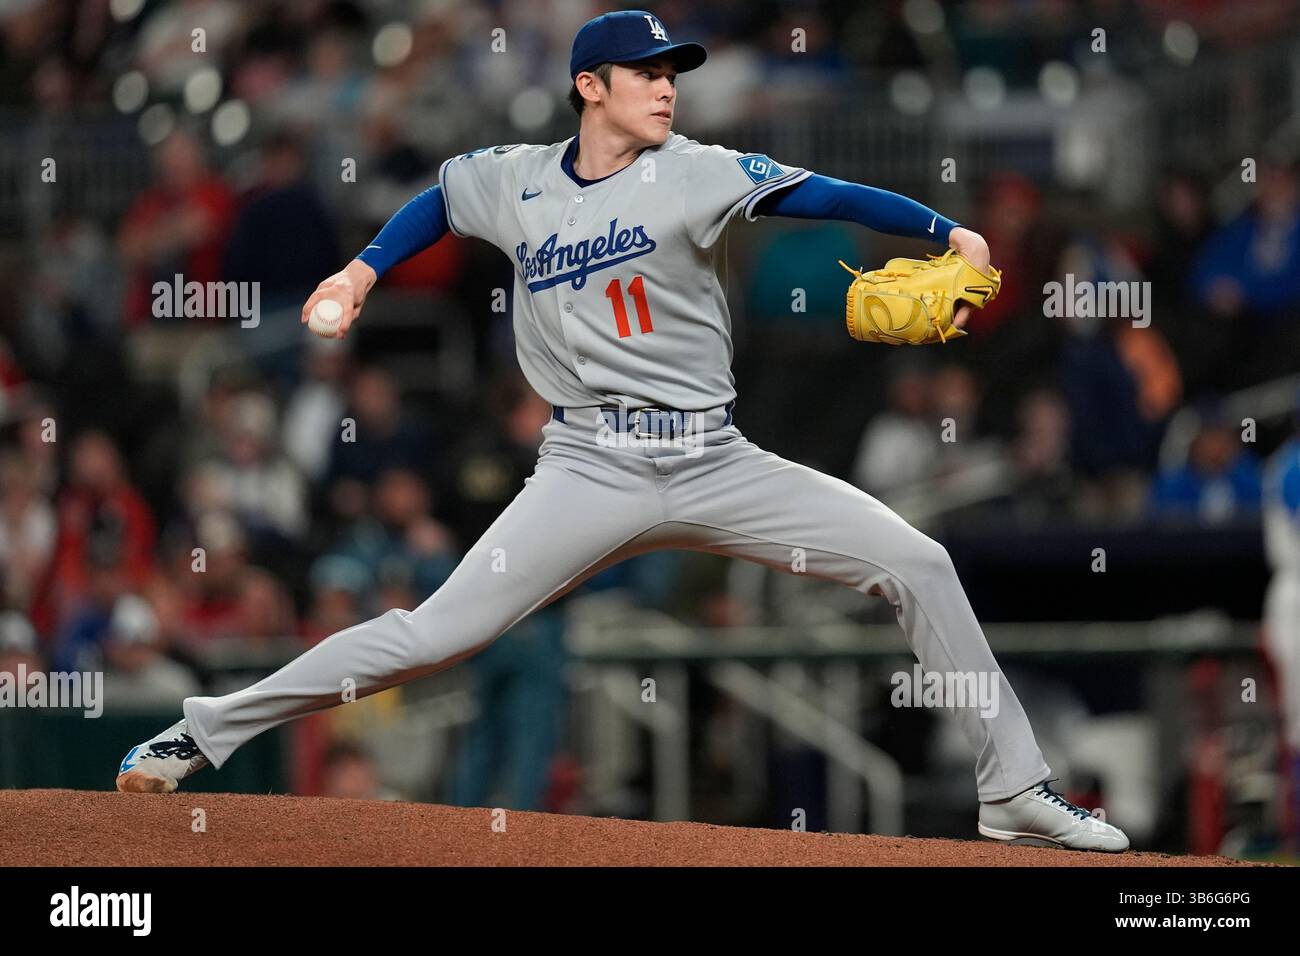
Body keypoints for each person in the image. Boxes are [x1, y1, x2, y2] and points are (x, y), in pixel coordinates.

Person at [116, 10, 1128, 852]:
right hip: (588, 464)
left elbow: (817, 191)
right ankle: (201, 732)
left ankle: (1013, 789)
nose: (666, 85)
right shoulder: (514, 179)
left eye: (672, 70)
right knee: (432, 635)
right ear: (589, 85)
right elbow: (436, 200)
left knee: (918, 560)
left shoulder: (694, 169)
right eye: (645, 71)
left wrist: (942, 230)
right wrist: (359, 271)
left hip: (715, 457)